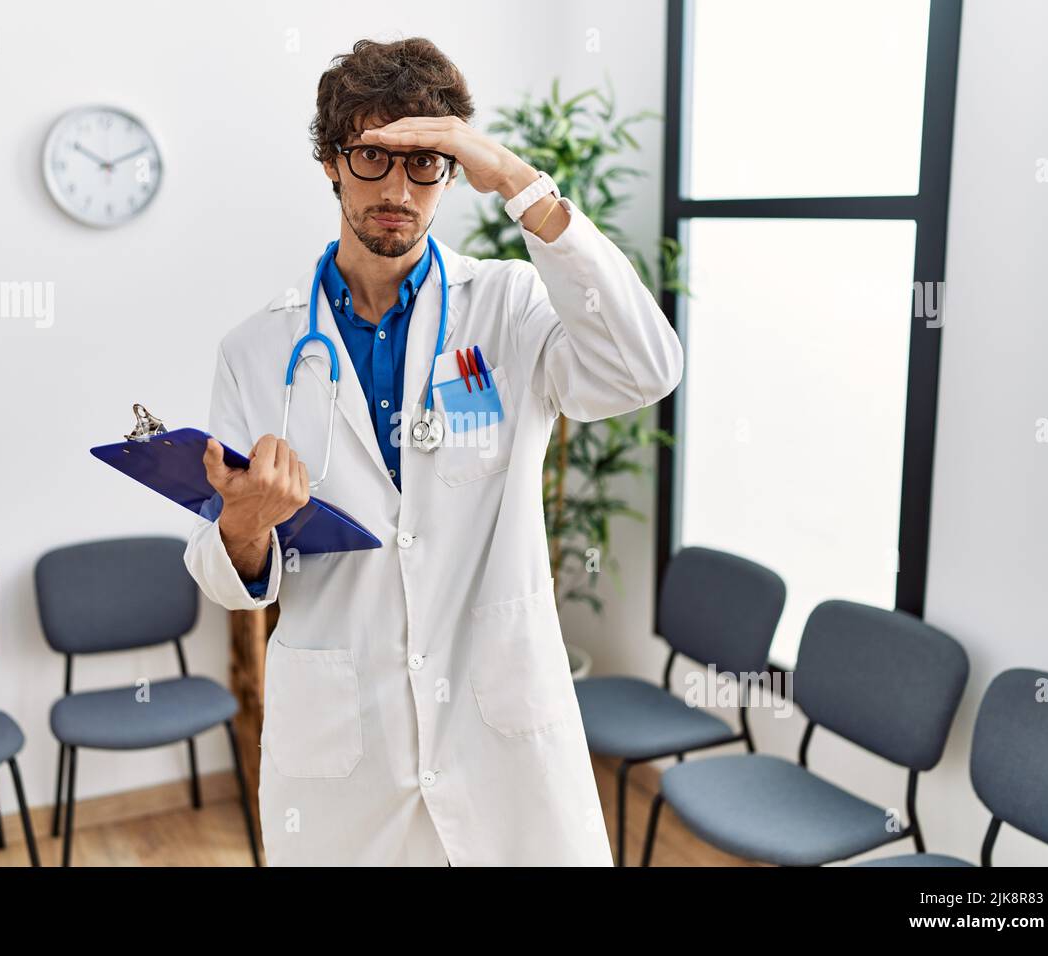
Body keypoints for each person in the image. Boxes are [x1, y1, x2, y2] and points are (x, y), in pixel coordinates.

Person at [184, 37, 683, 866]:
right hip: (345, 754)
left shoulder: (511, 306)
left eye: (426, 164)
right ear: (330, 162)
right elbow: (219, 574)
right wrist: (241, 528)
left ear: (454, 173)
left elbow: (644, 368)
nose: (396, 189)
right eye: (372, 156)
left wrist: (525, 188)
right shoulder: (257, 350)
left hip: (502, 733)